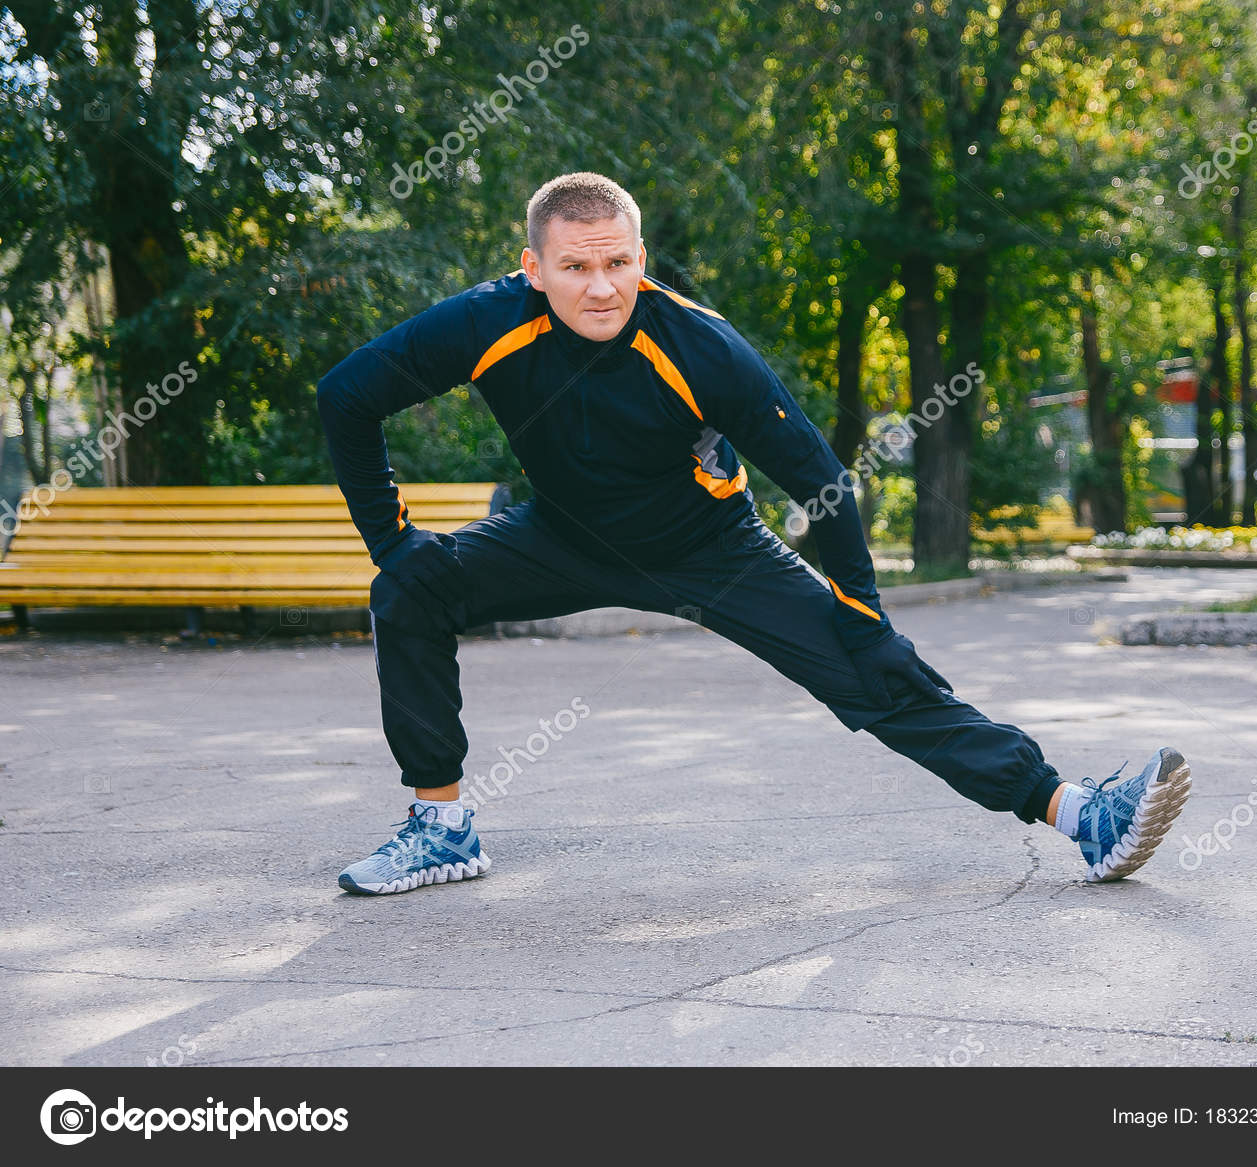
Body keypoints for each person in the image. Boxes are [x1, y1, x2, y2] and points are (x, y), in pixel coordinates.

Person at [318, 171, 1191, 896]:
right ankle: (442, 827)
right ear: (534, 267)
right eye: (576, 266)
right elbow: (347, 395)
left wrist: (866, 611)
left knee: (871, 668)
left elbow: (818, 476)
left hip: (711, 545)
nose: (600, 286)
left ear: (641, 259)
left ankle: (1081, 813)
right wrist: (393, 540)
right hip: (562, 534)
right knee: (407, 588)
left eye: (617, 262)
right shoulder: (486, 323)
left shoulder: (701, 347)